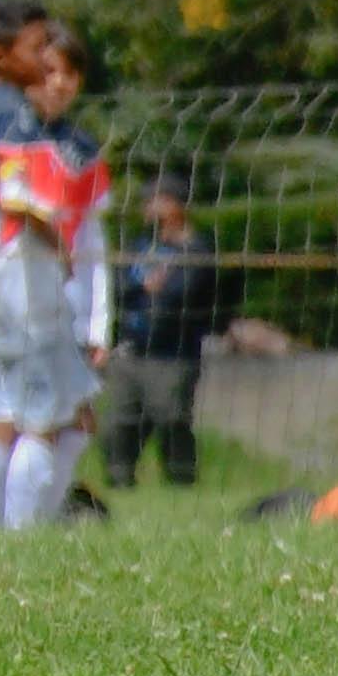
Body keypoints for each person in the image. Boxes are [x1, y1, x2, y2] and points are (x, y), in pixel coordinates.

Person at [0, 0, 104, 529]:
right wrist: (56, 242)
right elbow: (22, 199)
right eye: (36, 49)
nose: (44, 61)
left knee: (8, 417)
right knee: (45, 422)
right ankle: (19, 536)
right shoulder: (16, 118)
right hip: (25, 282)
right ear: (2, 57)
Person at [104, 170, 221, 486]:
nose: (149, 209)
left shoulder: (197, 250)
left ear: (177, 205)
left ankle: (181, 483)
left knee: (172, 421)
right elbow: (117, 285)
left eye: (156, 201)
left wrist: (141, 288)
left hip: (173, 354)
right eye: (147, 202)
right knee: (118, 423)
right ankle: (119, 483)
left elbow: (177, 294)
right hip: (131, 350)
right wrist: (144, 286)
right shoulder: (139, 246)